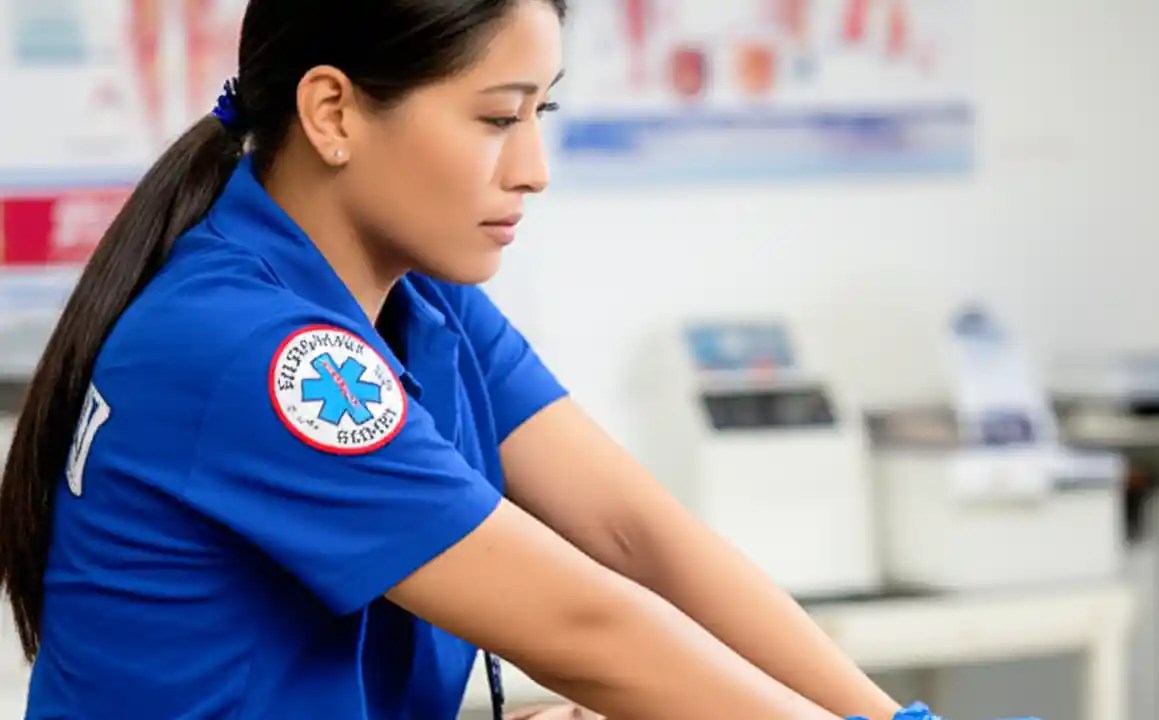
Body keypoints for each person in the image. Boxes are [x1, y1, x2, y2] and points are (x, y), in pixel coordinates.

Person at [0, 1, 1038, 719]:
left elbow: (633, 538)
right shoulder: (263, 352)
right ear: (333, 113)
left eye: (542, 112)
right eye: (497, 117)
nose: (532, 169)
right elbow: (585, 625)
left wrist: (885, 715)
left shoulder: (418, 296)